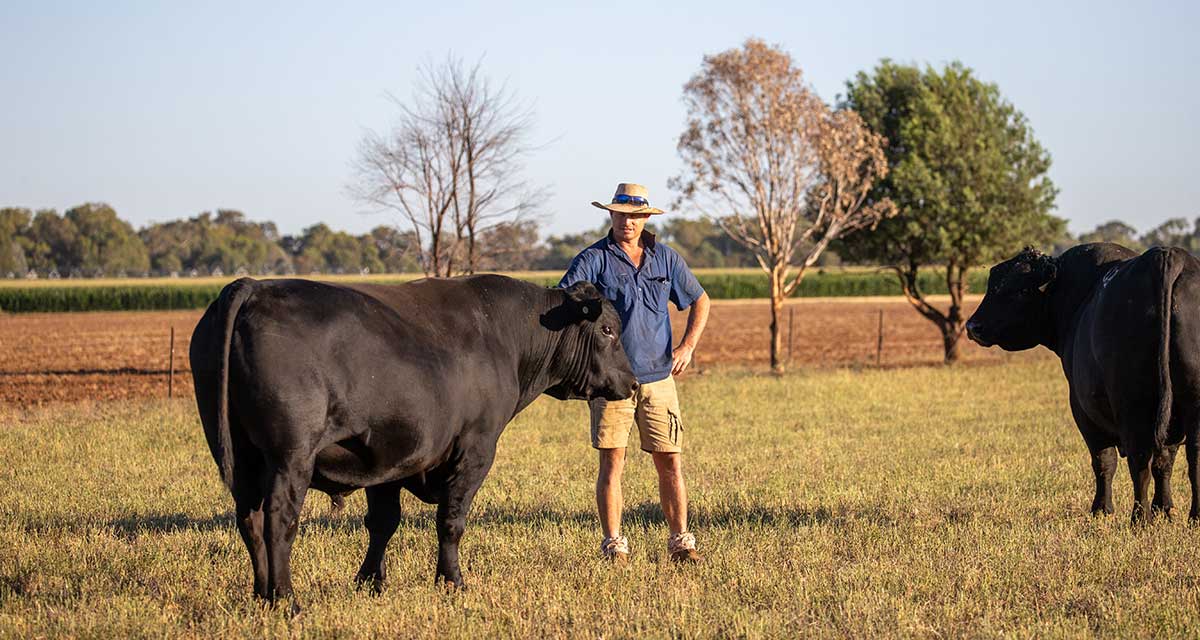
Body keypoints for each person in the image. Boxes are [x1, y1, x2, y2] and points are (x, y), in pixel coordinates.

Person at [559, 182, 711, 563]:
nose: (627, 222)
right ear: (611, 216)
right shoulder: (594, 259)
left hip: (660, 378)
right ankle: (614, 545)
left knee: (670, 461)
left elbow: (700, 300)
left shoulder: (666, 259)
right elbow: (565, 302)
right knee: (613, 462)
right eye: (621, 214)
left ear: (646, 218)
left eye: (635, 215)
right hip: (611, 383)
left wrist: (687, 348)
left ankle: (681, 541)